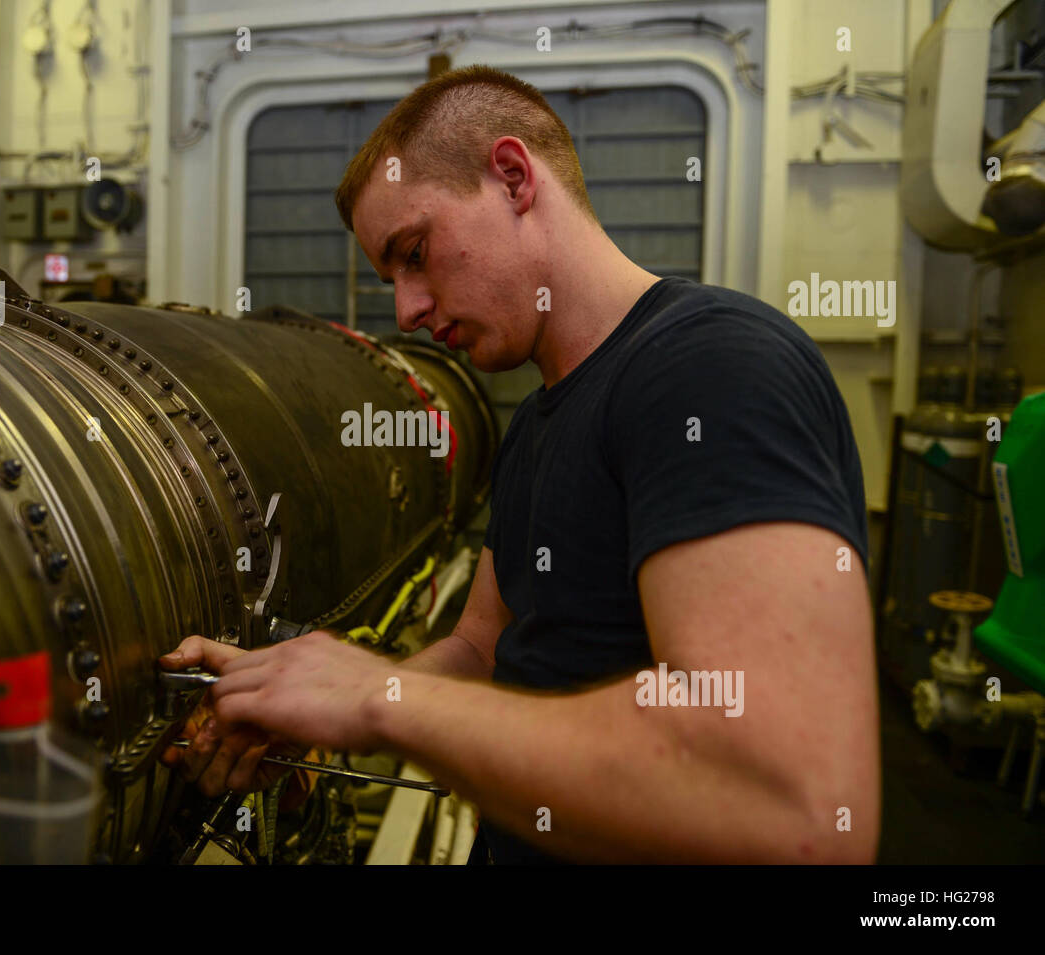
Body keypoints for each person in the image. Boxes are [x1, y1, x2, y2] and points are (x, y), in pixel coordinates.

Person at [160, 64, 880, 864]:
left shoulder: (710, 367)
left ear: (511, 176)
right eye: (391, 277)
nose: (407, 309)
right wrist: (304, 701)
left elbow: (788, 797)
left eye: (416, 252)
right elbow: (480, 647)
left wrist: (373, 702)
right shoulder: (537, 423)